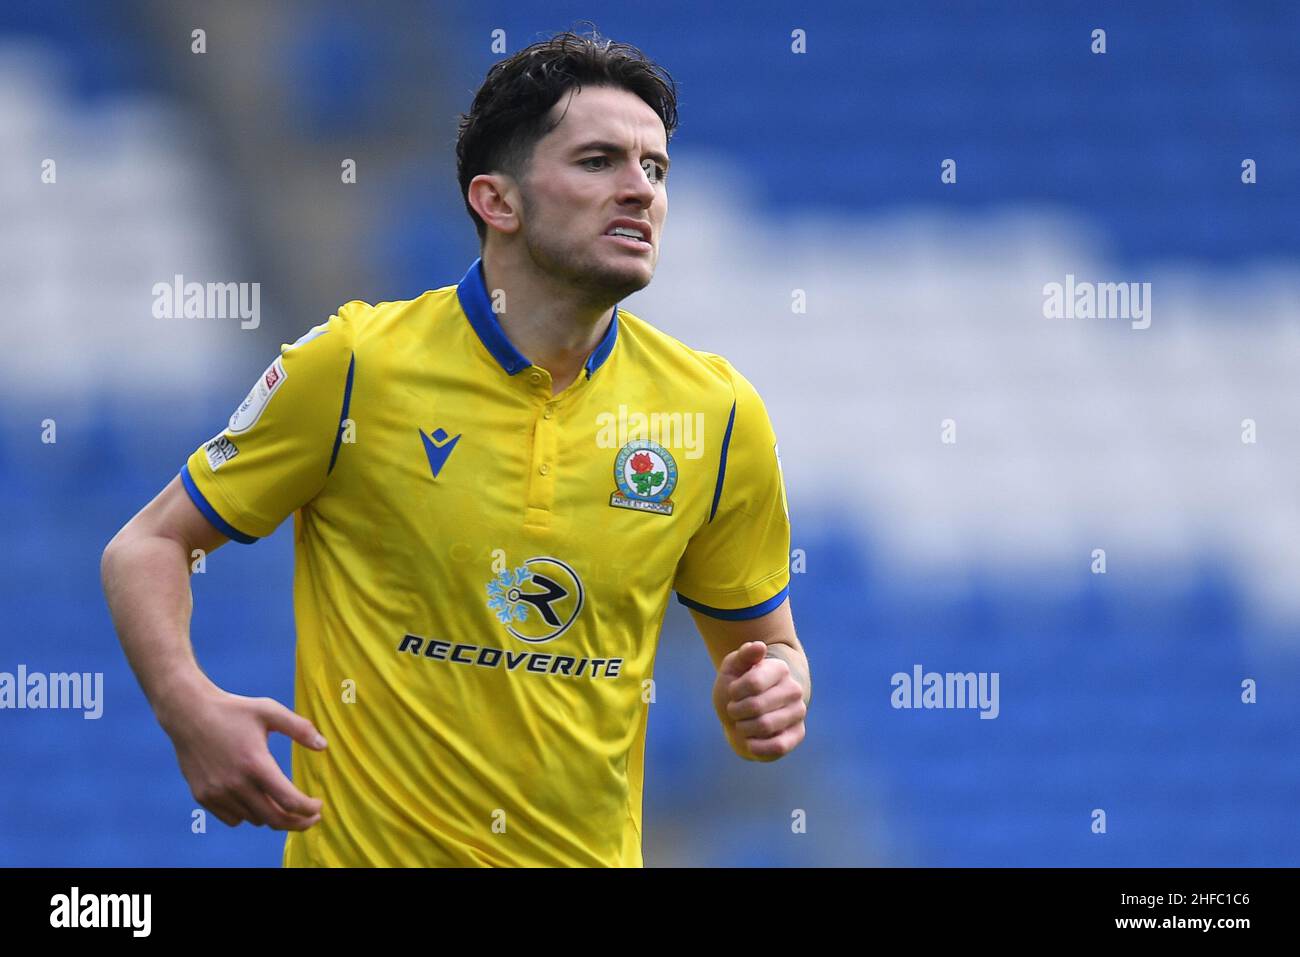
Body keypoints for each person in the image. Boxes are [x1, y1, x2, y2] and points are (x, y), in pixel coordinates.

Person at [101, 29, 810, 867]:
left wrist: (775, 693)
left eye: (654, 169)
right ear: (496, 201)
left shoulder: (716, 414)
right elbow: (147, 544)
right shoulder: (356, 365)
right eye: (598, 162)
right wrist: (187, 705)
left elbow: (771, 653)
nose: (639, 192)